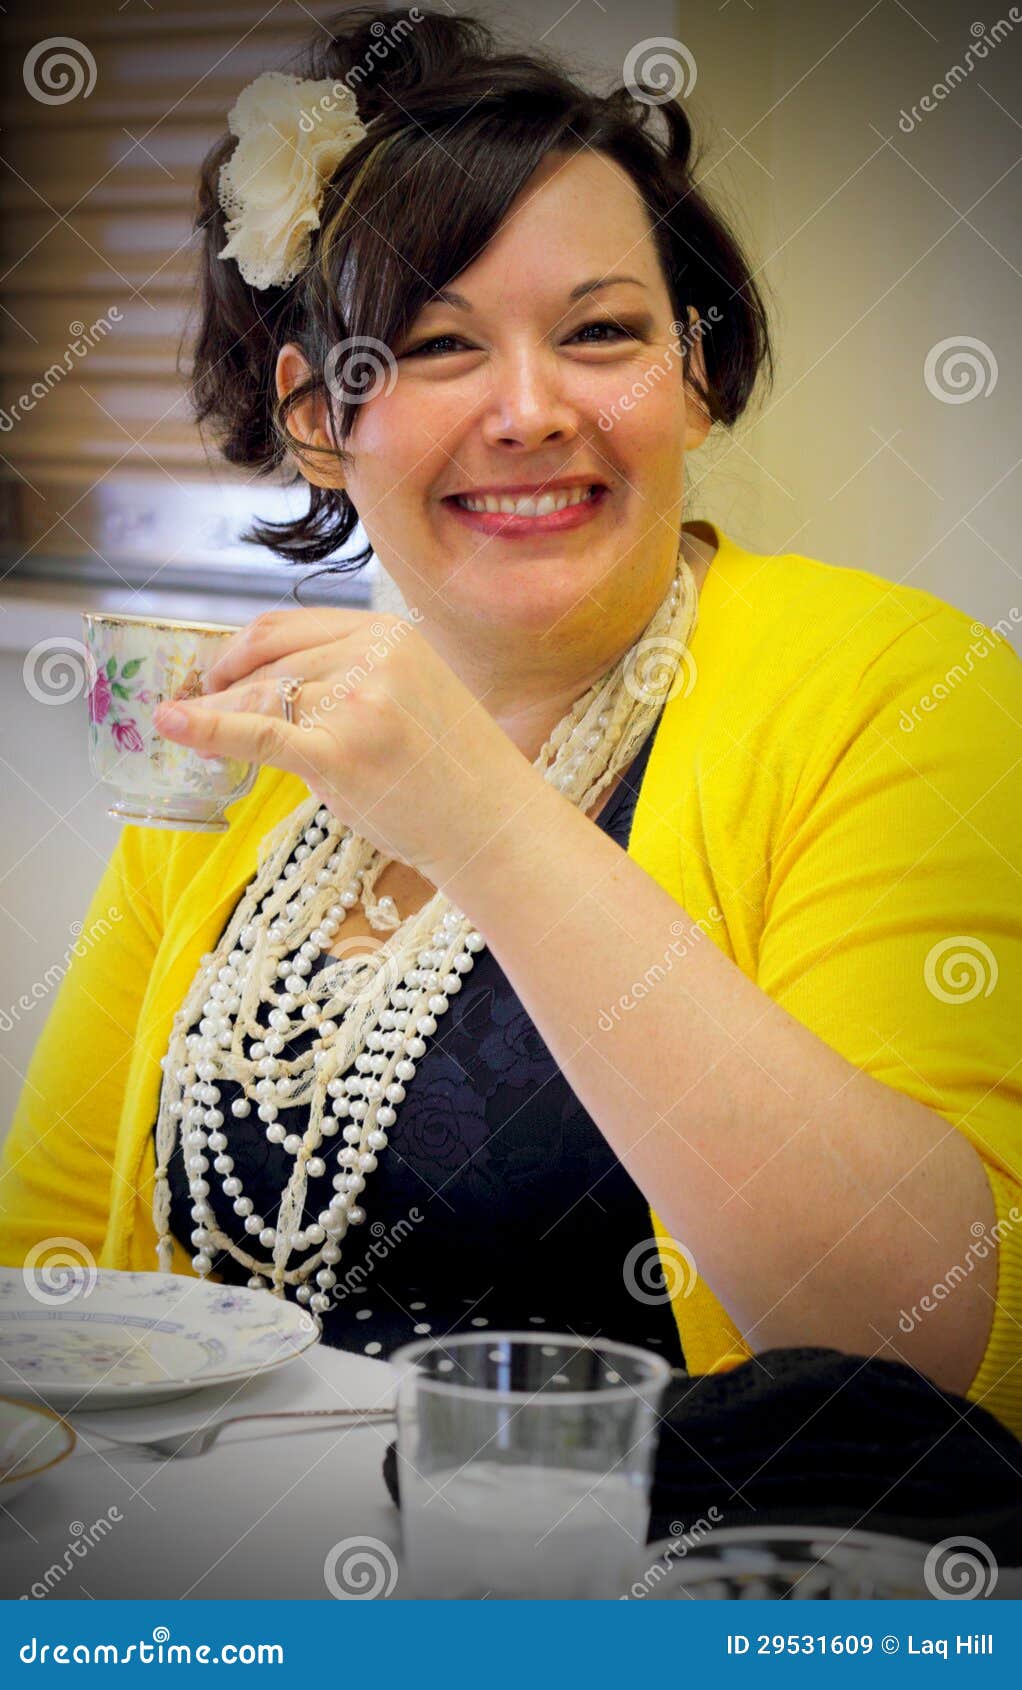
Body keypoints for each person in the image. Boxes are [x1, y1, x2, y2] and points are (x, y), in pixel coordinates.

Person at [2, 7, 1020, 1439]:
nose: (531, 408)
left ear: (697, 375)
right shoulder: (238, 738)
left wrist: (478, 813)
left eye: (601, 331)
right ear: (314, 419)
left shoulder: (902, 688)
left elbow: (932, 1342)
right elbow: (51, 1277)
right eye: (432, 345)